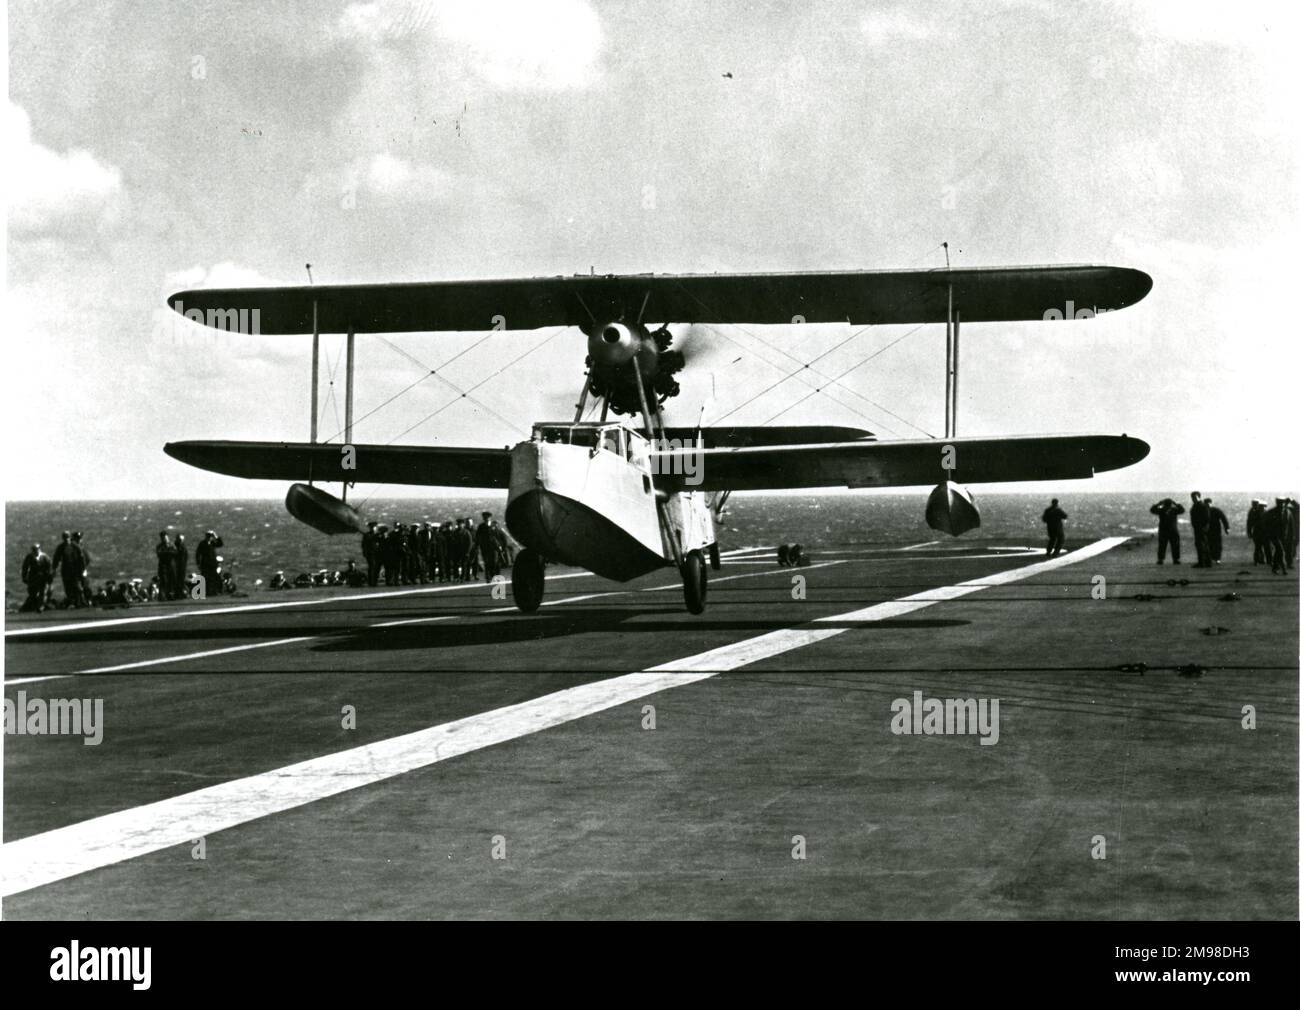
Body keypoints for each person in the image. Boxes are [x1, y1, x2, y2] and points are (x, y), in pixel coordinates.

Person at [51, 531, 85, 607]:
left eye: (67, 537)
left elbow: (81, 558)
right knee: (68, 587)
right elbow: (56, 558)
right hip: (66, 570)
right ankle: (72, 602)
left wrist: (83, 569)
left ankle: (81, 602)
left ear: (70, 537)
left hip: (75, 570)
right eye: (64, 538)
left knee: (78, 587)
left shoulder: (75, 546)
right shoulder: (61, 547)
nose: (66, 539)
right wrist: (54, 569)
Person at [1149, 498, 1184, 564]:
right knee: (1175, 545)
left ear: (1164, 504)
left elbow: (1152, 510)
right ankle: (1175, 559)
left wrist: (1158, 504)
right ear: (1171, 504)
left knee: (1162, 545)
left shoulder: (1162, 510)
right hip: (1173, 530)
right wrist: (1176, 503)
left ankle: (1161, 559)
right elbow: (1182, 510)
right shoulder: (1174, 510)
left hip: (1163, 530)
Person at [21, 544, 53, 612]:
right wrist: (24, 577)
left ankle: (41, 607)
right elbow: (25, 567)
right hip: (33, 577)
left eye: (37, 549)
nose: (36, 551)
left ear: (39, 549)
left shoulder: (44, 557)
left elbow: (49, 567)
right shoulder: (29, 557)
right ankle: (33, 605)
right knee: (32, 592)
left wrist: (49, 576)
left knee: (43, 592)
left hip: (43, 577)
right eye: (34, 550)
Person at [1263, 498, 1291, 574]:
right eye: (1280, 503)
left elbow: (1289, 524)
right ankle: (1284, 569)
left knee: (1278, 552)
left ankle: (1275, 568)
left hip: (1283, 536)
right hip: (1273, 535)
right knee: (1281, 551)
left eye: (1283, 503)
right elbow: (1266, 524)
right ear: (1277, 503)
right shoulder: (1271, 512)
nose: (1282, 504)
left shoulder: (1287, 512)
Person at [196, 530, 224, 595]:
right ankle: (207, 591)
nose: (209, 538)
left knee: (214, 577)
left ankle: (214, 591)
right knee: (206, 578)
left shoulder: (212, 543)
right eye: (209, 536)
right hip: (205, 564)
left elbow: (220, 544)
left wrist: (216, 536)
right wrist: (198, 563)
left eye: (211, 536)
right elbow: (198, 554)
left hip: (213, 563)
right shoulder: (202, 543)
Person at [1188, 492, 1211, 568]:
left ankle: (1202, 563)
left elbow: (1207, 518)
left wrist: (1203, 527)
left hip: (1201, 528)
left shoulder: (1202, 506)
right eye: (1192, 498)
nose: (1193, 499)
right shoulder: (1196, 506)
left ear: (1199, 497)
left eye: (1195, 497)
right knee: (1203, 544)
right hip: (1198, 528)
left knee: (1201, 545)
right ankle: (1206, 562)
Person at [475, 512, 500, 582]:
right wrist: (477, 545)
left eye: (487, 518)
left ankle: (494, 575)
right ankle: (488, 577)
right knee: (487, 562)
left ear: (490, 518)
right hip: (485, 547)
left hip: (494, 547)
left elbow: (498, 536)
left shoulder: (494, 526)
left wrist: (499, 545)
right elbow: (478, 537)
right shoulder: (481, 527)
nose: (486, 519)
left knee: (494, 562)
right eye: (485, 518)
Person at [72, 531, 93, 605]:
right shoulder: (72, 549)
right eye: (77, 539)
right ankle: (79, 602)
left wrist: (84, 568)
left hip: (82, 570)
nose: (79, 540)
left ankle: (88, 601)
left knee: (86, 586)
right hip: (75, 571)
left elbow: (87, 559)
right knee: (77, 588)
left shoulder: (82, 548)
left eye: (79, 538)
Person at [1205, 498, 1229, 564]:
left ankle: (1218, 559)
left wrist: (1227, 528)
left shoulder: (1216, 510)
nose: (1208, 505)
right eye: (1206, 504)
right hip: (1208, 530)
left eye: (1209, 503)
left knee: (1217, 545)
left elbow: (1223, 518)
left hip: (1216, 530)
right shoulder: (1204, 511)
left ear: (1211, 503)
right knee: (1209, 544)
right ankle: (1211, 558)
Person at [155, 531, 178, 599]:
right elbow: (159, 554)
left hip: (171, 565)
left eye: (165, 537)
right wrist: (168, 553)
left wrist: (166, 553)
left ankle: (171, 594)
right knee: (164, 580)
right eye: (163, 538)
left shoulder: (171, 545)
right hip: (163, 566)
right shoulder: (159, 546)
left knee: (172, 579)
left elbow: (175, 553)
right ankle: (164, 595)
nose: (164, 539)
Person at [1247, 500, 1268, 566]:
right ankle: (1260, 560)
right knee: (1260, 547)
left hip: (1259, 533)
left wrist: (1249, 532)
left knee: (1259, 548)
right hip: (1259, 533)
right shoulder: (1255, 513)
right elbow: (1250, 523)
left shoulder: (1253, 512)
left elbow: (1249, 524)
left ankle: (1259, 560)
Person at [361, 521, 381, 587]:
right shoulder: (367, 535)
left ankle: (375, 581)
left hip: (377, 553)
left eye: (374, 527)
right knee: (372, 567)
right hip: (370, 553)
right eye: (372, 527)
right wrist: (365, 552)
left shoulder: (378, 535)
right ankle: (371, 582)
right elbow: (364, 545)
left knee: (377, 568)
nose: (373, 528)